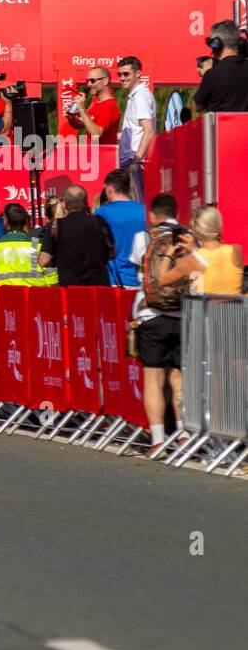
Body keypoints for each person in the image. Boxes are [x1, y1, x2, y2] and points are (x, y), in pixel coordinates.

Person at [134, 193, 186, 454]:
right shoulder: (188, 237)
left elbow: (135, 270)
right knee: (178, 376)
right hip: (183, 314)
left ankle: (157, 440)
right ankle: (183, 434)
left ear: (153, 215)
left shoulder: (143, 238)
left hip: (150, 314)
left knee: (153, 378)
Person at [156, 205, 244, 296]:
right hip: (235, 310)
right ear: (219, 225)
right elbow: (213, 265)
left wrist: (168, 255)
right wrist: (194, 251)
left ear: (196, 231)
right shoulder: (236, 250)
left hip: (208, 310)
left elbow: (162, 280)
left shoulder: (190, 260)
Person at [37, 185, 111, 287]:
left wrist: (58, 261)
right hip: (98, 289)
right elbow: (112, 253)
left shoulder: (55, 226)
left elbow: (43, 261)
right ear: (85, 202)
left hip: (70, 290)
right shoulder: (100, 222)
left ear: (63, 204)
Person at [0, 203, 57, 288]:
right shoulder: (39, 245)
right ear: (26, 221)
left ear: (5, 222)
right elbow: (52, 278)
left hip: (5, 299)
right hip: (36, 298)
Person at [94, 169, 147, 288]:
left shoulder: (102, 212)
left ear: (109, 188)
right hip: (141, 280)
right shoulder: (144, 210)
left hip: (114, 279)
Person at [116, 56, 156, 195]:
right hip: (131, 159)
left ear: (138, 73)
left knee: (137, 206)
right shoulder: (135, 95)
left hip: (135, 160)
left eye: (126, 74)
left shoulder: (140, 96)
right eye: (119, 74)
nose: (122, 78)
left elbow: (149, 130)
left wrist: (136, 160)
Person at [194, 19, 248, 114]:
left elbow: (196, 106)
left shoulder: (212, 75)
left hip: (221, 128)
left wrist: (206, 75)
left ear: (216, 44)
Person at [66, 66, 121, 144]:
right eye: (87, 81)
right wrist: (71, 118)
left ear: (105, 81)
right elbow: (80, 124)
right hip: (92, 154)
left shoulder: (109, 105)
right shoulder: (96, 104)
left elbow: (96, 134)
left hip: (102, 155)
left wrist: (82, 110)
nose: (88, 84)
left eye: (92, 80)